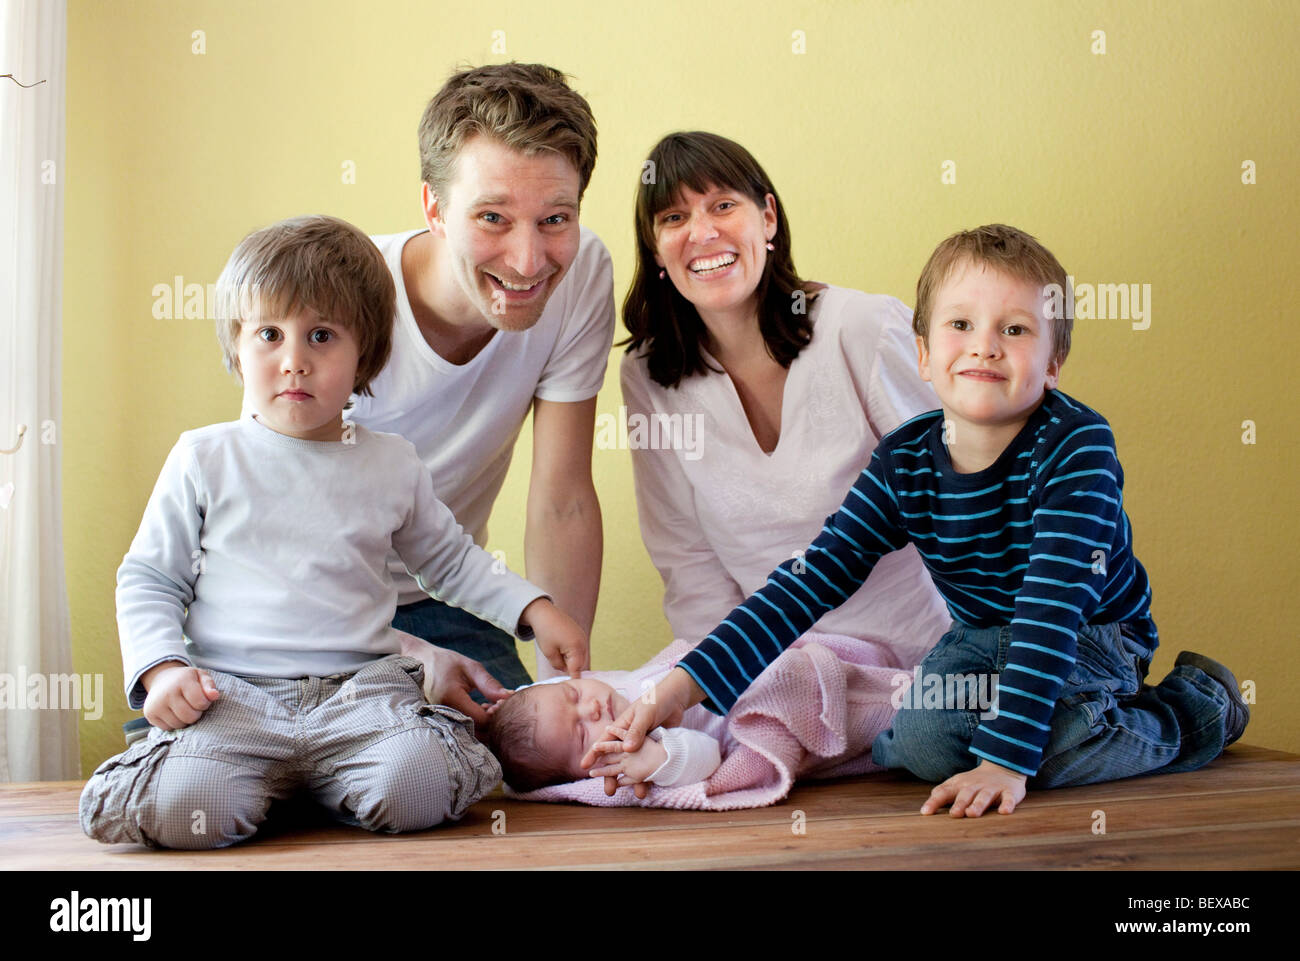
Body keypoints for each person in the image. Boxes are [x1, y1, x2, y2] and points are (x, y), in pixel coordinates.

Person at [595, 224, 1249, 817]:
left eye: (1015, 330)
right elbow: (808, 582)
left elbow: (1052, 604)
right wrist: (680, 687)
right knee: (924, 744)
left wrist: (1005, 762)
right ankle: (1057, 724)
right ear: (924, 355)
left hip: (1093, 632)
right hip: (982, 635)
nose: (984, 347)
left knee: (1032, 750)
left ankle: (1193, 710)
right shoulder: (907, 459)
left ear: (1053, 364)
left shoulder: (1077, 446)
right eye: (960, 325)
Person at [80, 215, 587, 849]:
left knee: (421, 784)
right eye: (269, 334)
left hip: (360, 696)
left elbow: (452, 562)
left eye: (321, 336)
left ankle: (313, 781)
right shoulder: (203, 458)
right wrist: (161, 670)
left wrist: (535, 607)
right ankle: (257, 778)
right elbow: (151, 577)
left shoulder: (391, 463)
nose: (294, 361)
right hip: (234, 695)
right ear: (238, 346)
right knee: (188, 808)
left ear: (364, 354)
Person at [615, 131, 951, 784]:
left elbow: (961, 503)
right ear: (656, 250)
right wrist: (722, 692)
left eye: (721, 206)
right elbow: (687, 560)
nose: (701, 233)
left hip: (914, 657)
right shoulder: (649, 375)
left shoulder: (861, 330)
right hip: (765, 657)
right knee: (609, 712)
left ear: (767, 218)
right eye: (674, 218)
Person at [348, 63, 614, 697]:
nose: (528, 261)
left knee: (524, 760)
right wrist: (403, 657)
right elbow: (265, 529)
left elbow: (563, 500)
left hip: (447, 600)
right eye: (492, 218)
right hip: (298, 610)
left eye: (555, 219)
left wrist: (565, 693)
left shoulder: (582, 275)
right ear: (434, 210)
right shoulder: (339, 293)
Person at [483, 672, 722, 792]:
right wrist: (661, 759)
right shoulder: (639, 747)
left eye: (574, 695)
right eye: (582, 733)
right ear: (586, 775)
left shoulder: (604, 692)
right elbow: (711, 755)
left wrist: (511, 699)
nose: (591, 708)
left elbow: (546, 691)